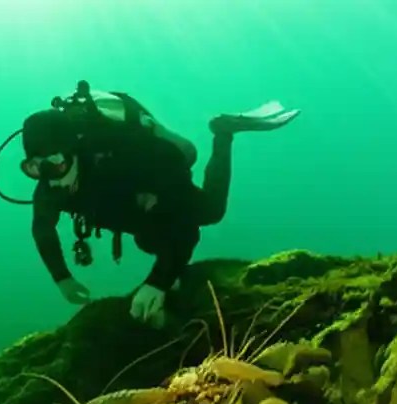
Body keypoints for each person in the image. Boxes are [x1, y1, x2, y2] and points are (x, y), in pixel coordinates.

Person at [19, 87, 299, 327]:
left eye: (56, 164)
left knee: (210, 211)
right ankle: (170, 276)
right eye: (35, 168)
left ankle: (223, 131)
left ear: (73, 150)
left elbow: (187, 228)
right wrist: (62, 278)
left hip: (163, 172)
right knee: (148, 239)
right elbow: (42, 229)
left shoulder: (125, 155)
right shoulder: (49, 187)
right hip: (130, 204)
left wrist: (157, 282)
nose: (50, 178)